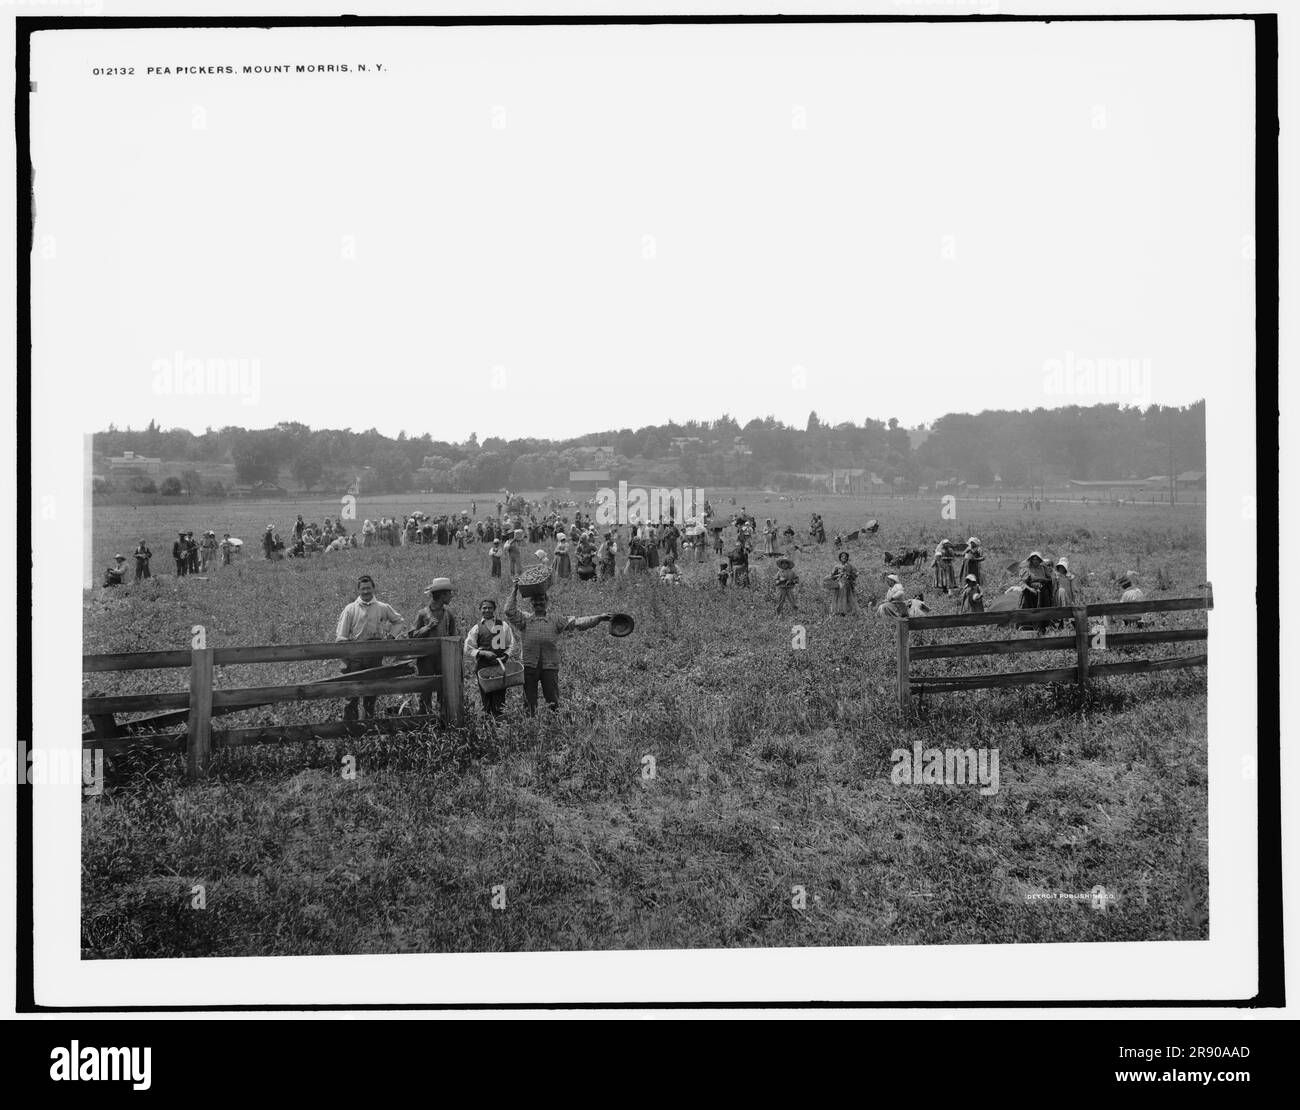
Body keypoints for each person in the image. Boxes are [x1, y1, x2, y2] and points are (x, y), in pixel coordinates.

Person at [503, 584, 611, 714]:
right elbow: (509, 611)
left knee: (552, 697)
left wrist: (599, 617)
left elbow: (577, 622)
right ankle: (530, 723)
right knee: (529, 698)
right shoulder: (525, 619)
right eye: (535, 600)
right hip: (529, 664)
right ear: (531, 603)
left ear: (546, 602)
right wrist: (514, 589)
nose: (538, 602)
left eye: (542, 599)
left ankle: (554, 721)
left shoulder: (555, 620)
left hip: (550, 665)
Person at [334, 575, 405, 722]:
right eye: (363, 588)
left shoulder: (381, 607)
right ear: (358, 590)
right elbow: (341, 636)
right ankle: (350, 727)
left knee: (372, 692)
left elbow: (398, 621)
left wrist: (391, 637)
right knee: (352, 693)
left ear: (374, 588)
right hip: (356, 657)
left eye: (368, 588)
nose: (366, 591)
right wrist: (347, 654)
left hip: (375, 656)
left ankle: (368, 726)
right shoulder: (350, 609)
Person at [408, 577, 457, 715]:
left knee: (443, 687)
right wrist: (427, 627)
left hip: (443, 657)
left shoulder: (449, 614)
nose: (451, 596)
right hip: (425, 659)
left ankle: (443, 716)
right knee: (426, 688)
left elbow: (454, 636)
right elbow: (412, 636)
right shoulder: (423, 613)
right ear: (441, 595)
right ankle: (424, 716)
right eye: (448, 593)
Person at [463, 598, 517, 717]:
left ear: (494, 609)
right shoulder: (476, 628)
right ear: (480, 610)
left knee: (499, 696)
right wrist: (483, 653)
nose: (487, 610)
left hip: (500, 666)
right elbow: (468, 648)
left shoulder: (503, 625)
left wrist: (506, 655)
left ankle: (499, 723)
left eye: (490, 608)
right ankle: (487, 724)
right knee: (485, 696)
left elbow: (511, 643)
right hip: (483, 667)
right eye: (484, 608)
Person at [830, 550, 859, 616]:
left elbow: (855, 575)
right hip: (840, 584)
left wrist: (850, 575)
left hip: (848, 584)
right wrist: (839, 575)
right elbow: (832, 577)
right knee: (840, 597)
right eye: (842, 556)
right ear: (840, 558)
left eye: (845, 556)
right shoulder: (836, 567)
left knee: (848, 597)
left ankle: (848, 611)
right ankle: (839, 611)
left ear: (847, 558)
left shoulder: (850, 566)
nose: (844, 558)